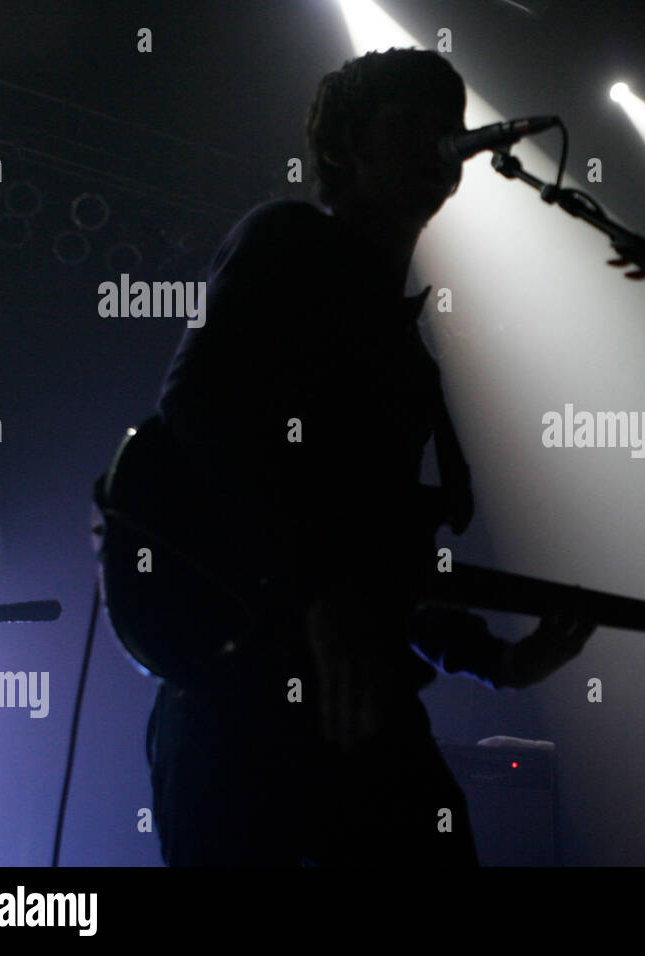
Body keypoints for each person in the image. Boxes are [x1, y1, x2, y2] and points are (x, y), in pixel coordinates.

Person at [133, 48, 595, 866]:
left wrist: (498, 660)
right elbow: (198, 414)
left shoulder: (406, 348)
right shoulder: (287, 241)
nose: (441, 144)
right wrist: (320, 593)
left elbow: (384, 562)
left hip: (361, 703)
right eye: (410, 124)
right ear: (344, 144)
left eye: (449, 127)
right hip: (238, 695)